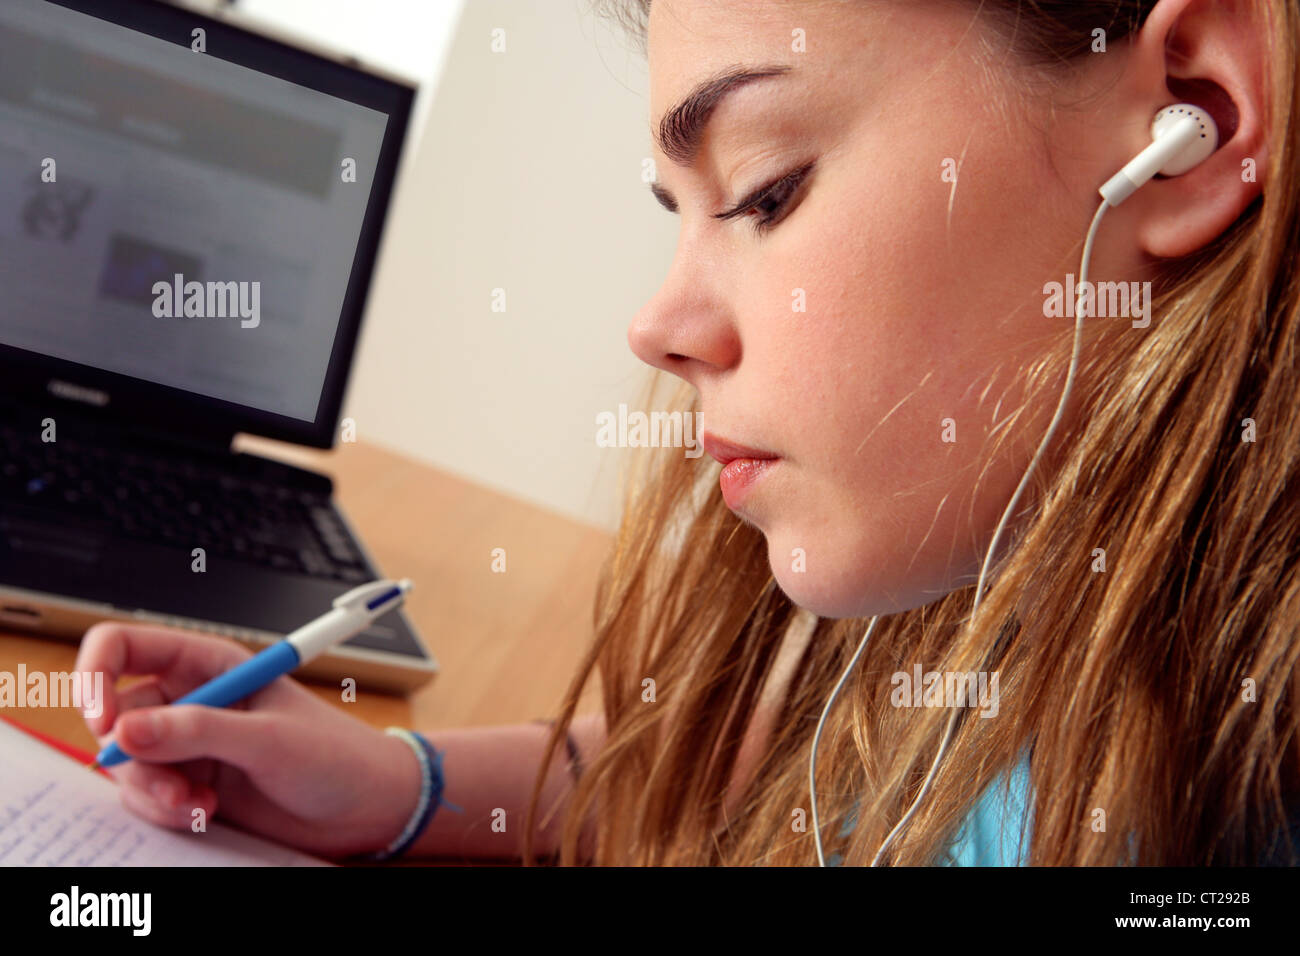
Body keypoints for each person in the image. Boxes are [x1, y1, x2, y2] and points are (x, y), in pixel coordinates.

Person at [77, 0, 1300, 866]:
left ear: (1189, 121)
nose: (656, 325)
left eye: (766, 188)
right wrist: (406, 785)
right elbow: (800, 773)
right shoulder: (1012, 576)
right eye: (681, 215)